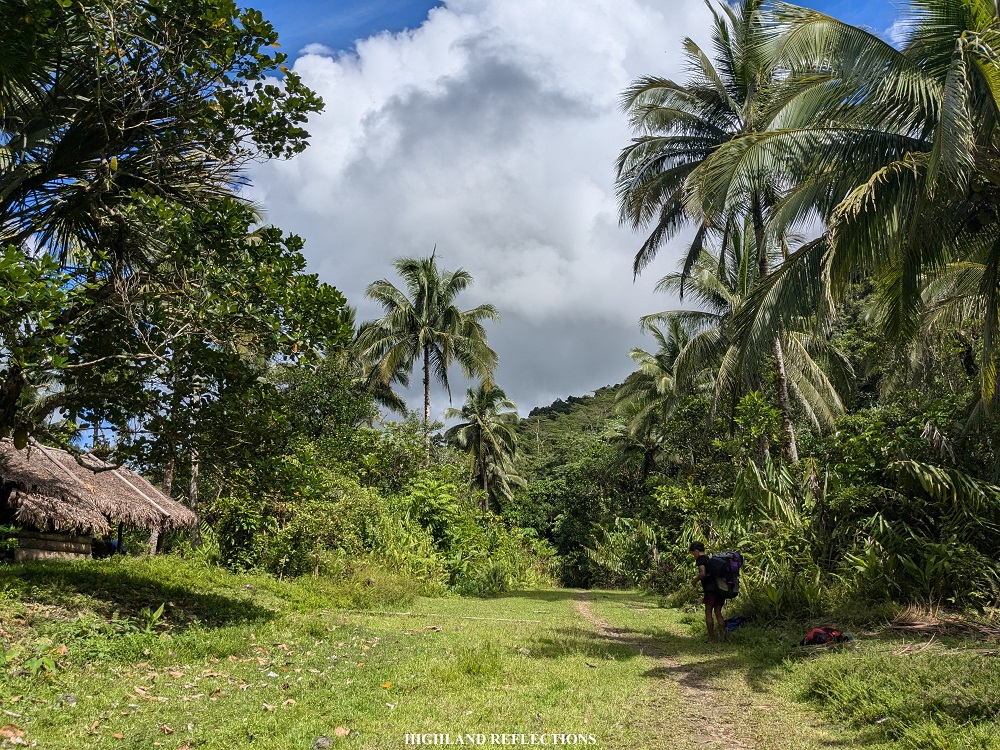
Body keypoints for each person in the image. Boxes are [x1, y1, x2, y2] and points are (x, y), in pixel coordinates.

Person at [690, 541, 726, 643]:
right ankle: (723, 638)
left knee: (708, 612)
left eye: (693, 553)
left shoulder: (701, 559)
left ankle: (711, 638)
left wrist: (695, 581)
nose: (693, 555)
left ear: (696, 551)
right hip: (719, 589)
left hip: (710, 590)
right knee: (718, 613)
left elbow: (702, 573)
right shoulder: (710, 559)